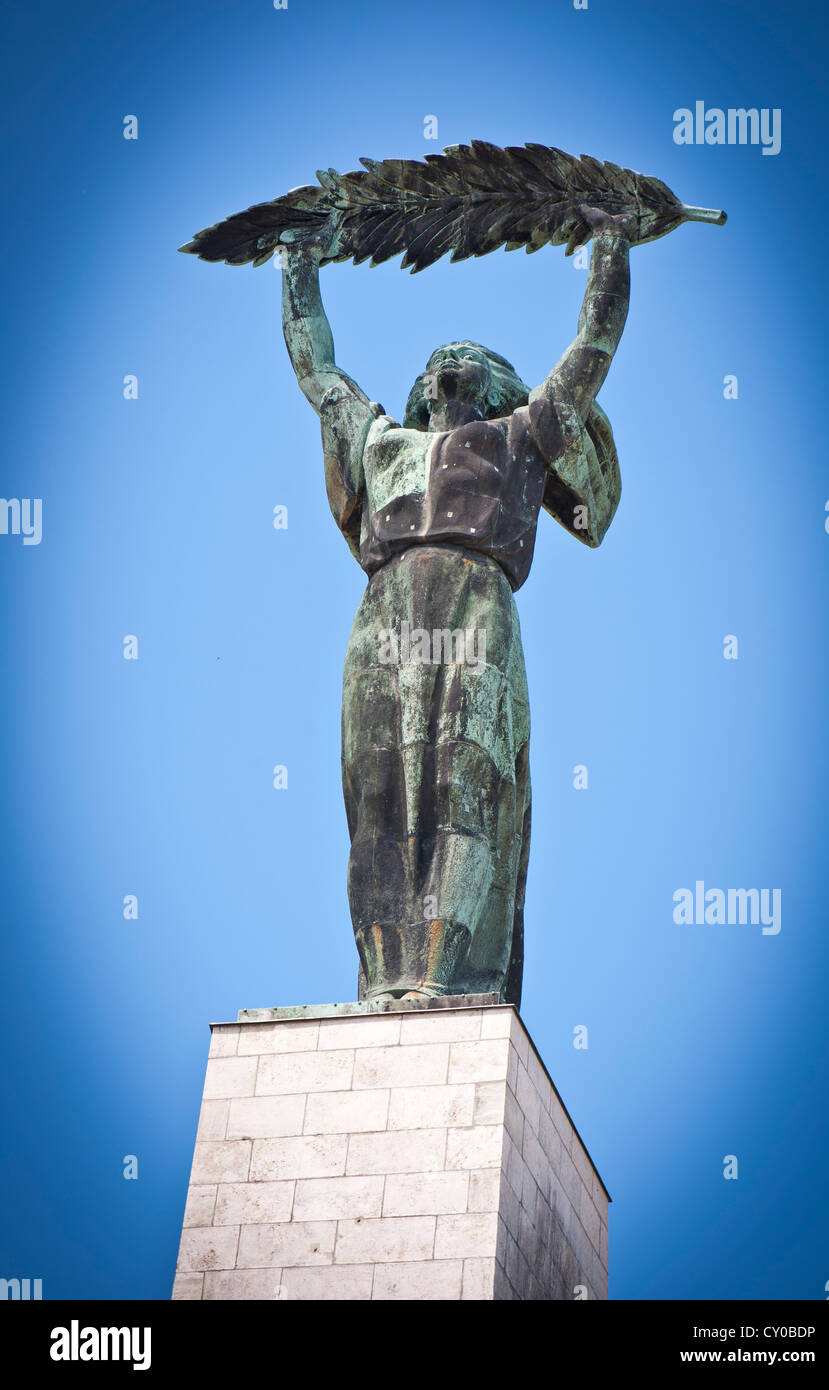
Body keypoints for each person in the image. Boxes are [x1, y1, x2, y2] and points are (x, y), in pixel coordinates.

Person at [280, 203, 636, 1006]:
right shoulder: (380, 443)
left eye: (469, 352)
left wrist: (608, 246)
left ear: (495, 383)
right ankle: (384, 980)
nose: (450, 355)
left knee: (461, 783)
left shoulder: (515, 436)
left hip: (475, 604)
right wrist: (299, 264)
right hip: (385, 614)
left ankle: (446, 976)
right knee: (379, 794)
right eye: (440, 352)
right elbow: (316, 371)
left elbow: (589, 354)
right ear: (417, 389)